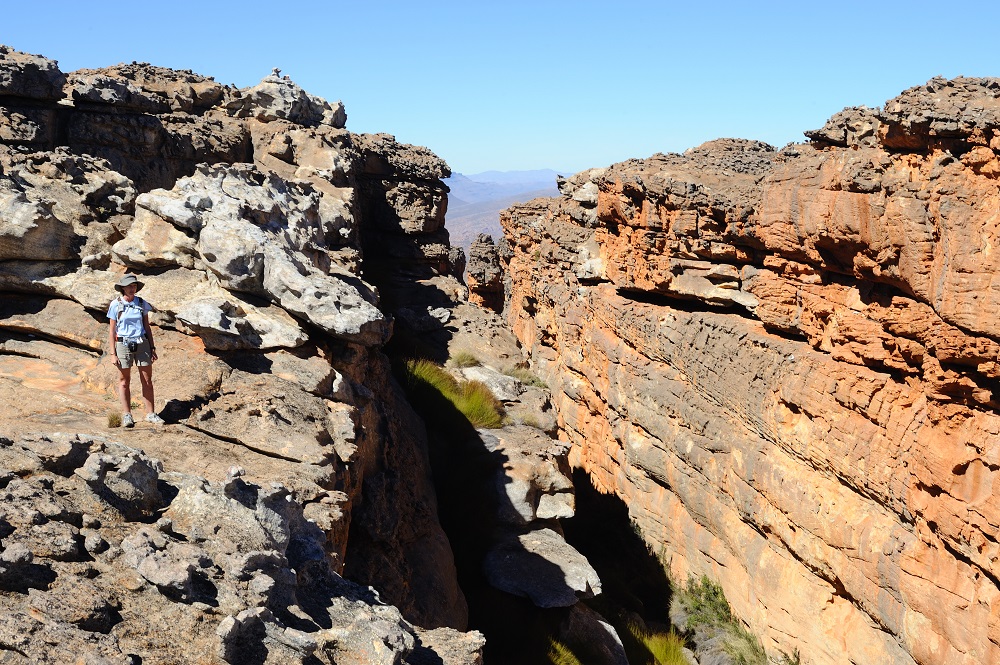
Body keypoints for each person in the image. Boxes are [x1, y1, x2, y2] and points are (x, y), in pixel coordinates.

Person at [107, 274, 164, 427]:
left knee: (147, 380)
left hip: (142, 343)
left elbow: (147, 327)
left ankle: (151, 414)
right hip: (123, 344)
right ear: (123, 288)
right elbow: (112, 331)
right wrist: (113, 354)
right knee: (124, 381)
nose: (132, 288)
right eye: (129, 286)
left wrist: (152, 347)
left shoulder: (141, 303)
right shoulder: (115, 305)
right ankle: (127, 415)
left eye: (134, 286)